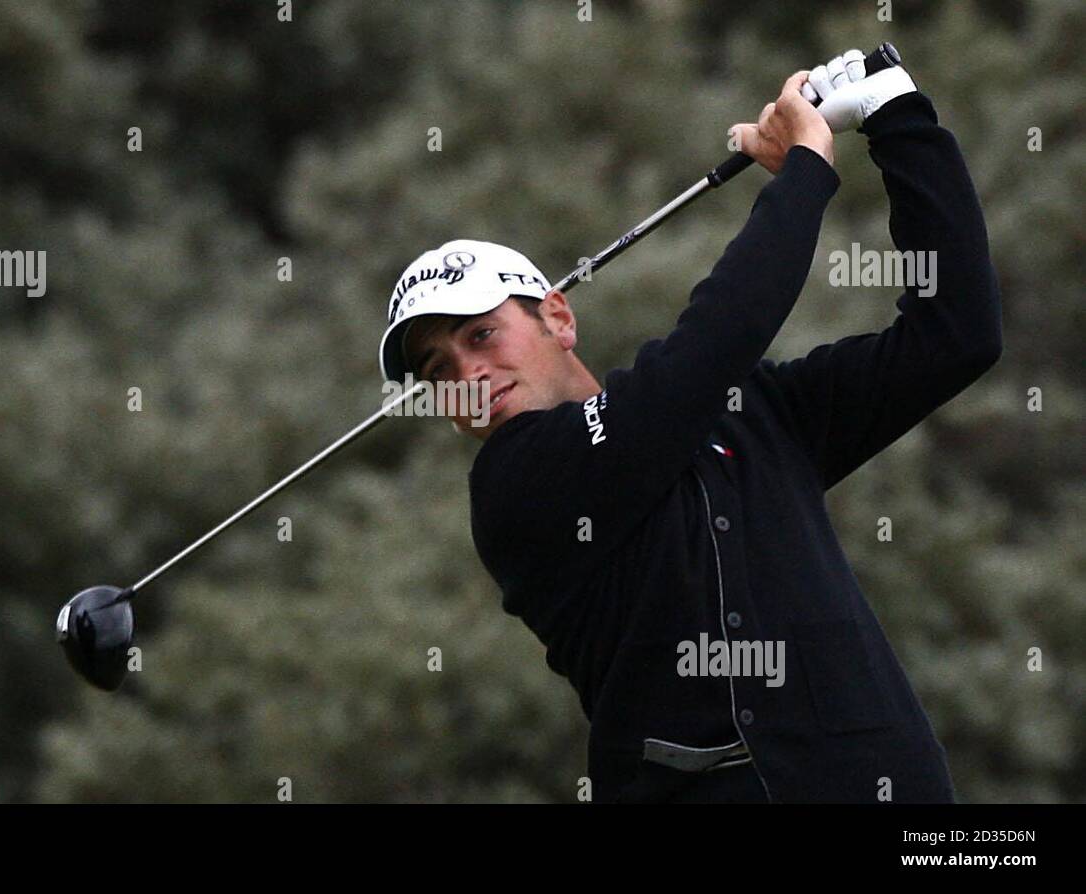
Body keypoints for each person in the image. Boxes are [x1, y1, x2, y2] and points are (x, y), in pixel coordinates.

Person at [376, 50, 1001, 803]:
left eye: (480, 336)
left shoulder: (755, 415)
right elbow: (710, 348)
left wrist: (898, 118)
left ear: (559, 316)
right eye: (439, 369)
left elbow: (956, 333)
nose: (467, 376)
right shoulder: (515, 490)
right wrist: (806, 165)